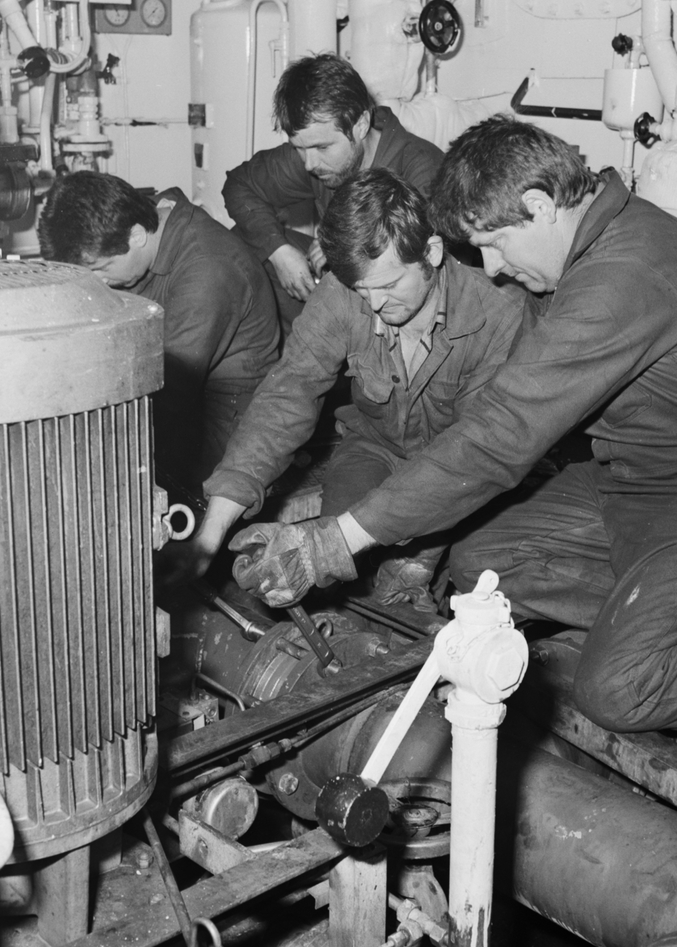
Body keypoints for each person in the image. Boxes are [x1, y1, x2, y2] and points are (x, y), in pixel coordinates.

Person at [227, 116, 677, 733]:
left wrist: (336, 540)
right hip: (641, 478)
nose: (487, 268)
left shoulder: (621, 274)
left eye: (492, 243)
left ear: (542, 205)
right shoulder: (593, 252)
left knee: (619, 690)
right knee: (482, 565)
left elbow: (499, 437)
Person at [191, 167, 525, 610]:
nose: (374, 306)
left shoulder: (498, 316)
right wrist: (210, 533)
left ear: (432, 252)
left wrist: (415, 555)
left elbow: (466, 459)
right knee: (341, 589)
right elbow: (286, 394)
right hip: (373, 449)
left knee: (414, 587)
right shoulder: (347, 291)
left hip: (463, 474)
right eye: (361, 289)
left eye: (388, 285)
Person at [39, 171, 280, 498]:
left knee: (102, 483)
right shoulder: (146, 216)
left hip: (229, 417)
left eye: (101, 269)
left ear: (137, 236)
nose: (99, 283)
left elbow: (170, 398)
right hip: (175, 392)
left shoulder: (208, 273)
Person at [224, 53, 443, 332]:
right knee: (242, 242)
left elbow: (413, 271)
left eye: (322, 148)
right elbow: (240, 185)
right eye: (299, 148)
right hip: (344, 286)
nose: (309, 164)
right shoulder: (318, 150)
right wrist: (278, 251)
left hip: (396, 307)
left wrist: (338, 245)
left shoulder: (422, 169)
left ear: (361, 125)